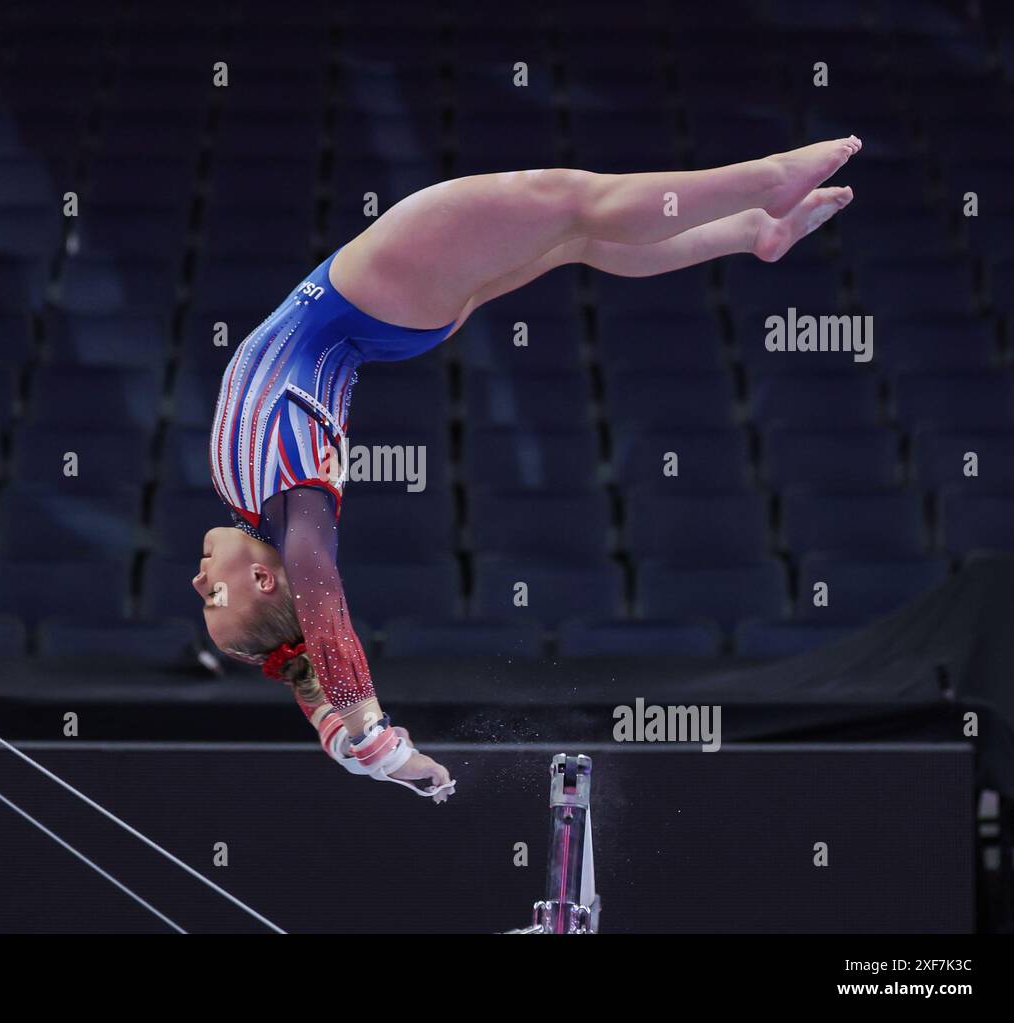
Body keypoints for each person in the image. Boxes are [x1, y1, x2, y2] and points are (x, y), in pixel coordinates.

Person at [192, 137, 863, 801]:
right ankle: (762, 182)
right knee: (571, 199)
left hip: (386, 320)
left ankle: (751, 231)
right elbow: (320, 594)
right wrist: (371, 733)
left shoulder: (257, 500)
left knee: (575, 238)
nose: (198, 581)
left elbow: (302, 663)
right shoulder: (283, 496)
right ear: (260, 577)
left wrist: (354, 743)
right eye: (214, 597)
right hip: (371, 296)